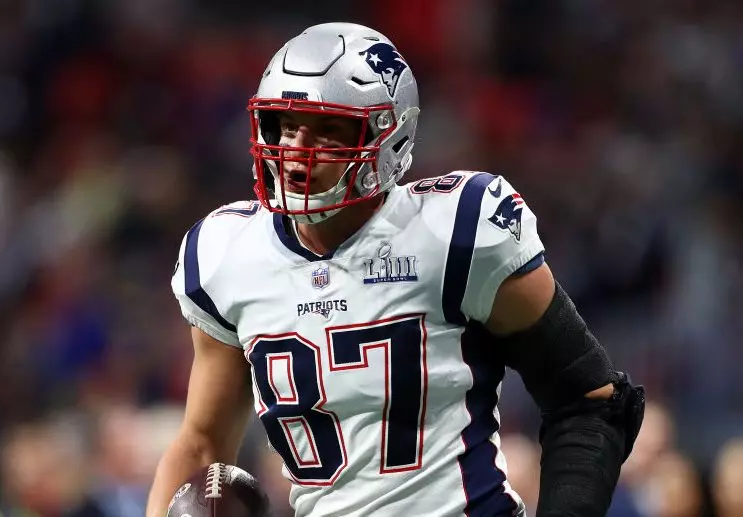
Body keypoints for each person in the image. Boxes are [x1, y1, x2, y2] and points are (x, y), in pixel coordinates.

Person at [146, 22, 645, 517]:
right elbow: (200, 447)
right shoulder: (226, 255)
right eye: (286, 123)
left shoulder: (455, 231)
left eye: (328, 129)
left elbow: (591, 400)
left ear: (389, 137)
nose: (297, 149)